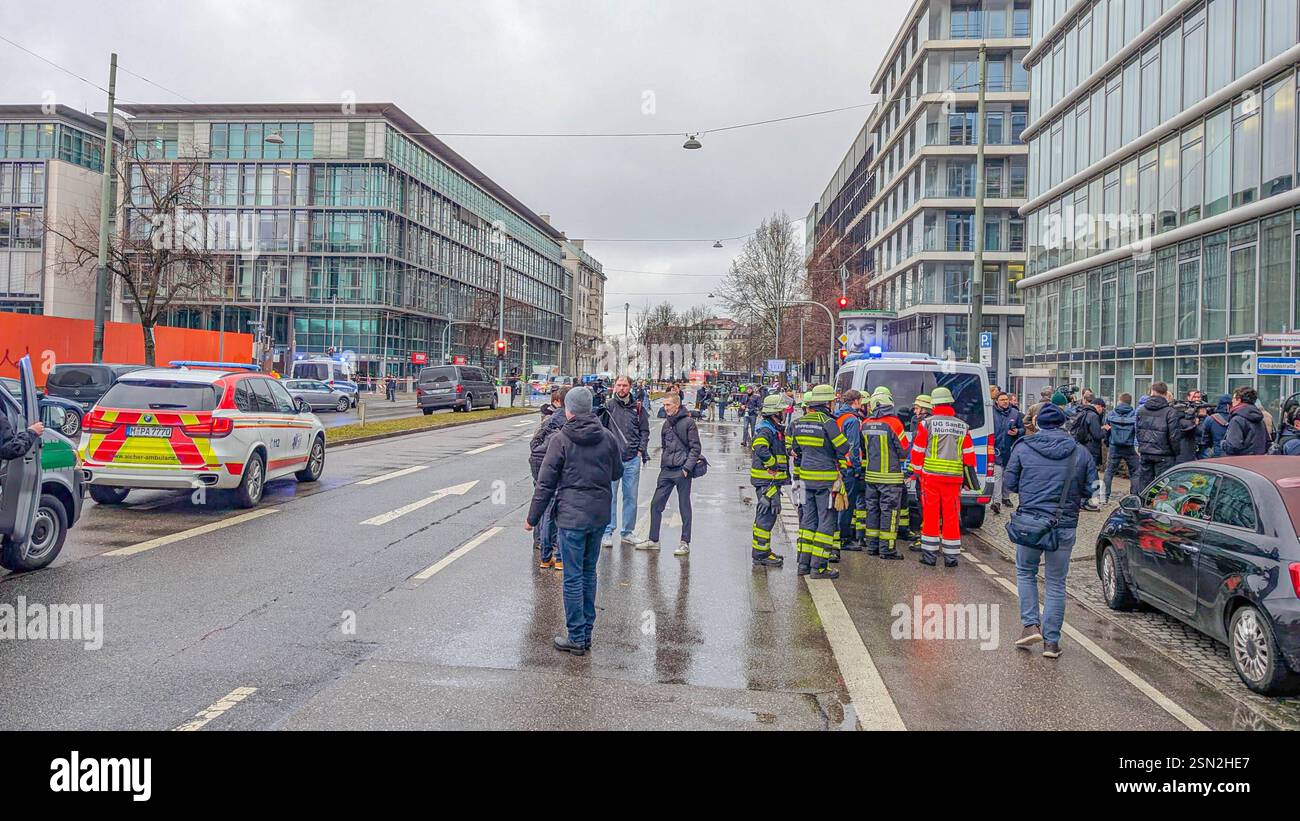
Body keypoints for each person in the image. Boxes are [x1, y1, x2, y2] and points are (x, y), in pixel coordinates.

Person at [525, 387, 623, 656]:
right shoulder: (607, 437)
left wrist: (532, 518)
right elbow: (617, 472)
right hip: (598, 515)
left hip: (570, 517)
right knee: (589, 573)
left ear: (568, 410)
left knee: (572, 577)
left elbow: (545, 483)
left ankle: (576, 637)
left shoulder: (561, 439)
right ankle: (586, 634)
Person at [1003, 403, 1097, 660]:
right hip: (1063, 525)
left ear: (1037, 423)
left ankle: (1030, 625)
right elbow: (1093, 491)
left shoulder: (1022, 447)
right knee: (1056, 583)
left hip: (1030, 524)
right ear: (1063, 424)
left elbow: (1009, 484)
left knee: (1025, 572)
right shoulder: (1080, 453)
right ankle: (1052, 642)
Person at [909, 386, 980, 567]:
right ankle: (951, 556)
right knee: (951, 516)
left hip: (931, 478)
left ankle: (930, 555)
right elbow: (969, 456)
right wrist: (967, 480)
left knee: (931, 515)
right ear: (950, 403)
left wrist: (916, 472)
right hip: (953, 479)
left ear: (934, 404)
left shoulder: (927, 424)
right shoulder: (962, 426)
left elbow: (918, 450)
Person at [789, 384, 850, 578]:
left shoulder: (799, 423)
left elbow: (795, 450)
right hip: (826, 480)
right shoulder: (828, 422)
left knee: (808, 520)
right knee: (826, 521)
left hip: (806, 478)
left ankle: (803, 565)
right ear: (828, 403)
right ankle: (819, 567)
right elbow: (843, 447)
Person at [637, 391, 701, 555]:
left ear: (677, 405)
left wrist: (687, 468)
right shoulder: (666, 424)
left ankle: (684, 542)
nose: (665, 408)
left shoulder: (688, 423)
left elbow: (695, 448)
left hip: (682, 470)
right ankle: (653, 539)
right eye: (664, 405)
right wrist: (664, 464)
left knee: (684, 506)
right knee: (655, 504)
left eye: (668, 405)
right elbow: (665, 446)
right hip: (667, 469)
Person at [600, 375, 650, 548]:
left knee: (631, 497)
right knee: (609, 497)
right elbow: (601, 429)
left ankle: (627, 532)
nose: (621, 388)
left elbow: (645, 430)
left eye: (625, 385)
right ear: (614, 387)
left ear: (630, 387)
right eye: (619, 385)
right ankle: (607, 531)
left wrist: (640, 450)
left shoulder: (638, 407)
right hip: (611, 460)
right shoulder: (608, 406)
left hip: (631, 459)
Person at [861, 387, 909, 560]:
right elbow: (904, 450)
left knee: (872, 511)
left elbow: (862, 450)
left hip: (871, 476)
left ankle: (872, 546)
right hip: (890, 478)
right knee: (889, 512)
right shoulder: (894, 423)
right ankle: (887, 549)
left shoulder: (865, 423)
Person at [749, 394, 791, 567]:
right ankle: (760, 554)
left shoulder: (771, 427)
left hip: (770, 482)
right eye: (781, 410)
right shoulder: (766, 429)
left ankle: (762, 551)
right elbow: (759, 446)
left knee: (766, 515)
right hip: (768, 481)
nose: (783, 412)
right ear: (775, 412)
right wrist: (772, 464)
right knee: (766, 517)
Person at [529, 387, 569, 567]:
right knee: (559, 510)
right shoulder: (569, 420)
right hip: (554, 464)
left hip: (538, 463)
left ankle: (545, 555)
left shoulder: (548, 419)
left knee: (545, 506)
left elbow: (534, 441)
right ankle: (560, 557)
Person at [1136, 382, 1189, 491]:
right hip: (1164, 454)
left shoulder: (1141, 410)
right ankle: (1158, 505)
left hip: (1146, 452)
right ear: (1165, 394)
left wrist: (1142, 446)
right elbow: (1174, 436)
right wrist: (1175, 453)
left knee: (1145, 483)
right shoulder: (1170, 412)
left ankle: (1144, 504)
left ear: (1152, 392)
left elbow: (1138, 432)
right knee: (1163, 486)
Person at [832, 389, 865, 550]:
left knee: (837, 501)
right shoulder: (852, 420)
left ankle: (837, 534)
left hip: (837, 465)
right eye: (861, 400)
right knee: (846, 503)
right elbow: (853, 446)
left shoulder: (837, 416)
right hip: (849, 467)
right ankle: (844, 538)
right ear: (856, 401)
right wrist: (857, 468)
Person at [1067, 396, 1106, 510]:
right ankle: (1093, 499)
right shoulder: (1093, 416)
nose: (1102, 412)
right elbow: (1097, 435)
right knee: (1092, 475)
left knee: (1082, 473)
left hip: (1082, 446)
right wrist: (1104, 429)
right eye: (1102, 409)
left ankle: (1082, 498)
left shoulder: (1083, 412)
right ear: (1098, 406)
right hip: (1091, 449)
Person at [1101, 393, 1140, 505]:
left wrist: (1108, 443)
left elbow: (1107, 431)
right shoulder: (1134, 414)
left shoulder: (1112, 413)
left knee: (1109, 472)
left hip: (1114, 446)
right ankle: (1134, 496)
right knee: (1135, 473)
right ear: (1130, 402)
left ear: (1119, 401)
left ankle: (1105, 497)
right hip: (1129, 447)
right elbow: (1137, 431)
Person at [991, 391, 1023, 514]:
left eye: (1006, 399)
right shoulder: (992, 413)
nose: (1005, 401)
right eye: (1002, 399)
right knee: (997, 475)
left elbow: (1022, 428)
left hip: (1010, 449)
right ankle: (997, 502)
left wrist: (1017, 432)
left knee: (1008, 475)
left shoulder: (1015, 413)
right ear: (997, 402)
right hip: (996, 449)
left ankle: (1005, 497)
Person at [1221, 387, 1269, 456]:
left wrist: (1223, 444)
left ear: (1239, 400)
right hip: (1258, 461)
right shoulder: (1260, 419)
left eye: (1234, 398)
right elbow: (1267, 442)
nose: (1232, 401)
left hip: (1240, 462)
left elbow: (1233, 447)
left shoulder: (1237, 420)